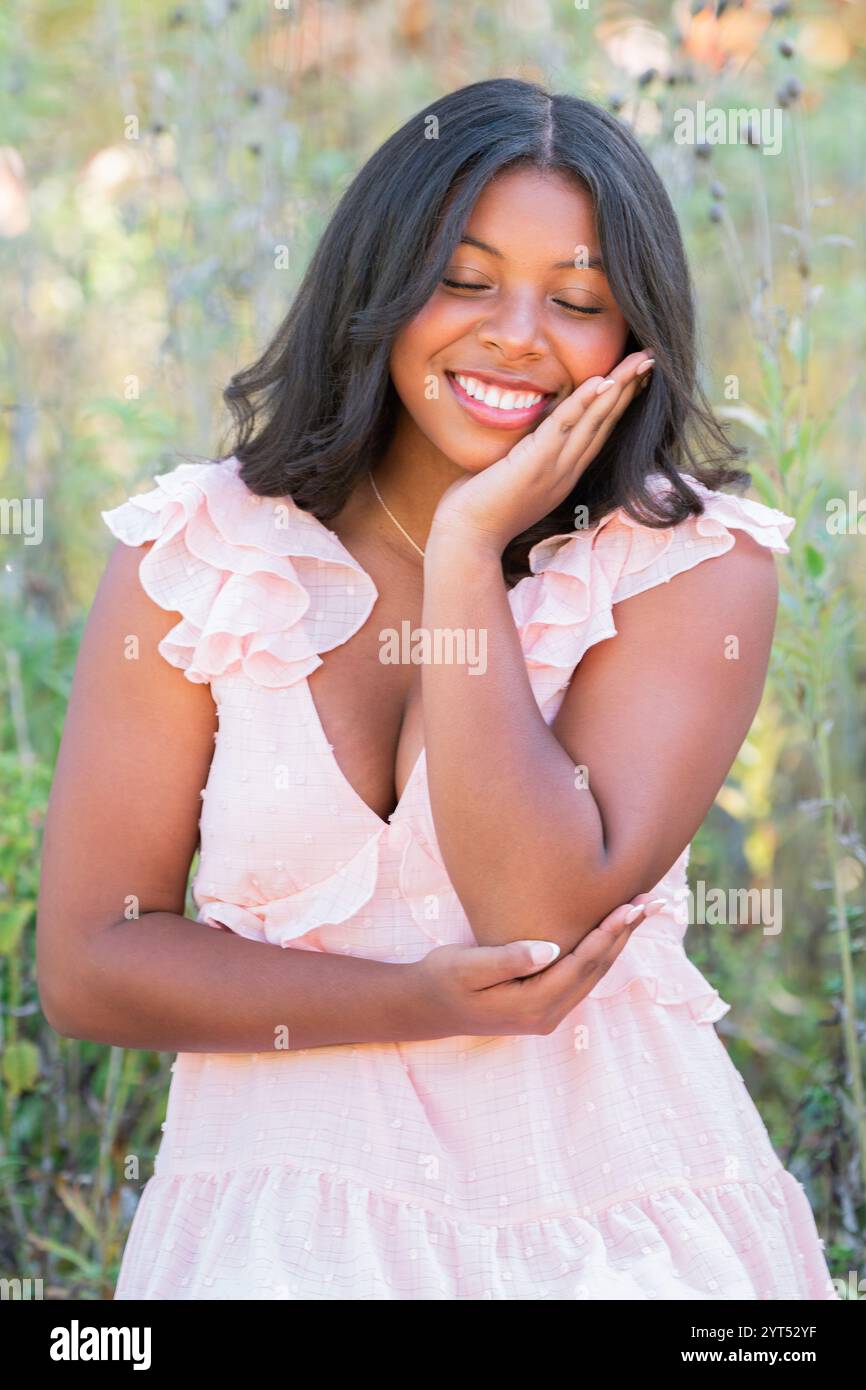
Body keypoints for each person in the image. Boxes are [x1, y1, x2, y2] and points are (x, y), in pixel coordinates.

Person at [37, 78, 838, 1300]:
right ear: (376, 285)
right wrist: (412, 1002)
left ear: (630, 342)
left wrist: (465, 555)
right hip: (276, 1234)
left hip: (622, 1238)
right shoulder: (196, 556)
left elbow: (535, 904)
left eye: (573, 300)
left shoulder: (689, 566)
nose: (516, 333)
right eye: (463, 280)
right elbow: (93, 961)